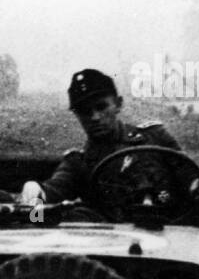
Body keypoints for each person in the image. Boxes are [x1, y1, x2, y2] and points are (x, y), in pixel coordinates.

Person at [20, 68, 181, 206]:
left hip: (172, 233)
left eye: (101, 107)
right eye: (85, 111)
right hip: (117, 239)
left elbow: (192, 179)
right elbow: (53, 191)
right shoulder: (78, 163)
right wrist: (35, 196)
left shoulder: (155, 138)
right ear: (77, 115)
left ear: (118, 104)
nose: (95, 117)